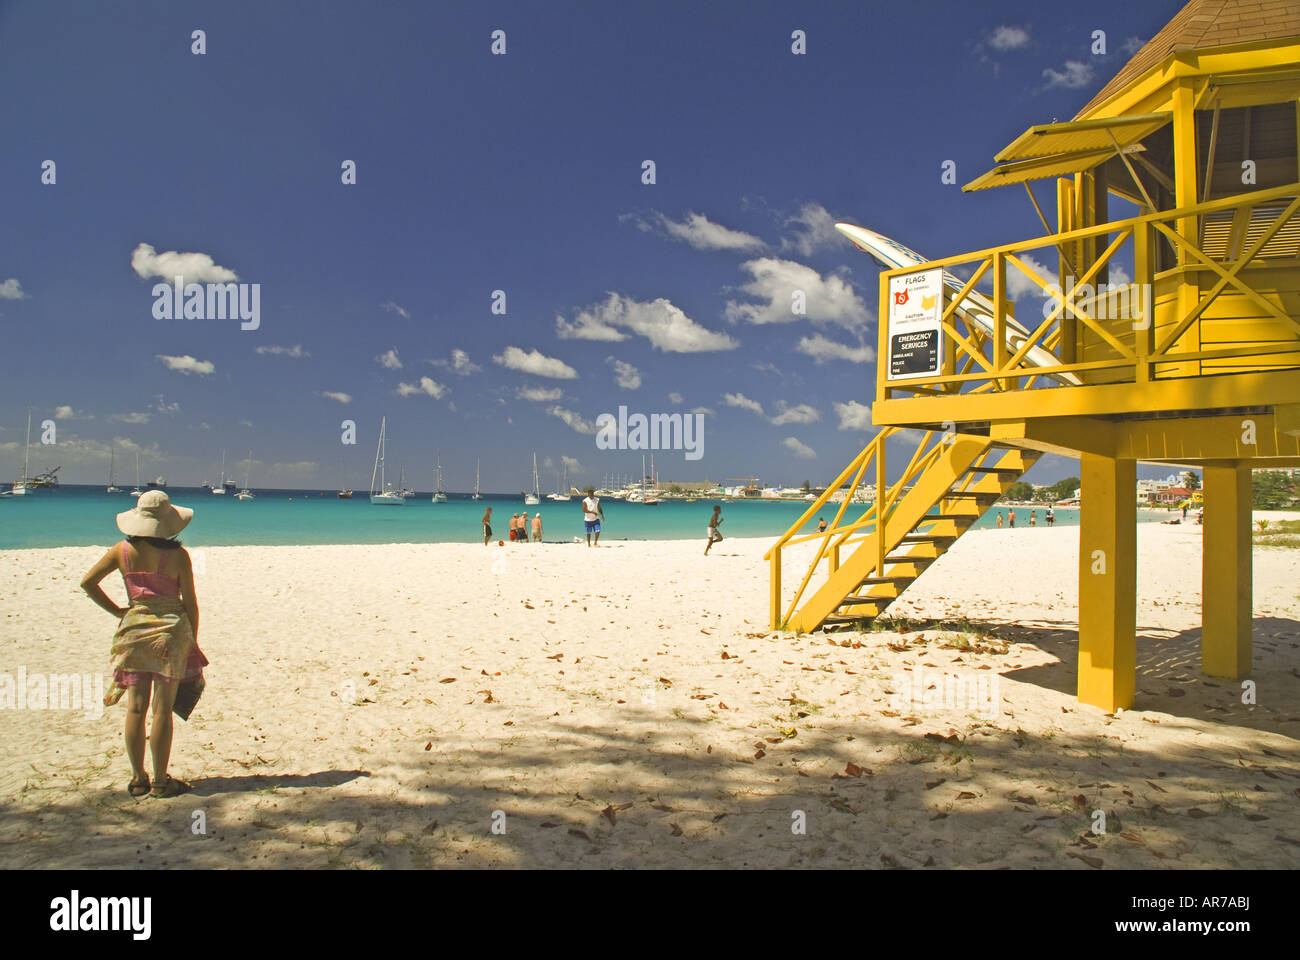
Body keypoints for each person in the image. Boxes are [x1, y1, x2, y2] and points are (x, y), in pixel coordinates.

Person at [79, 491, 205, 799]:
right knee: (162, 711)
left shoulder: (121, 551)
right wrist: (192, 640)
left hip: (134, 632)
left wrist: (120, 612)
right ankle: (161, 782)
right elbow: (190, 603)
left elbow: (87, 583)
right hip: (171, 635)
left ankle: (138, 780)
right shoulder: (177, 556)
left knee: (135, 709)